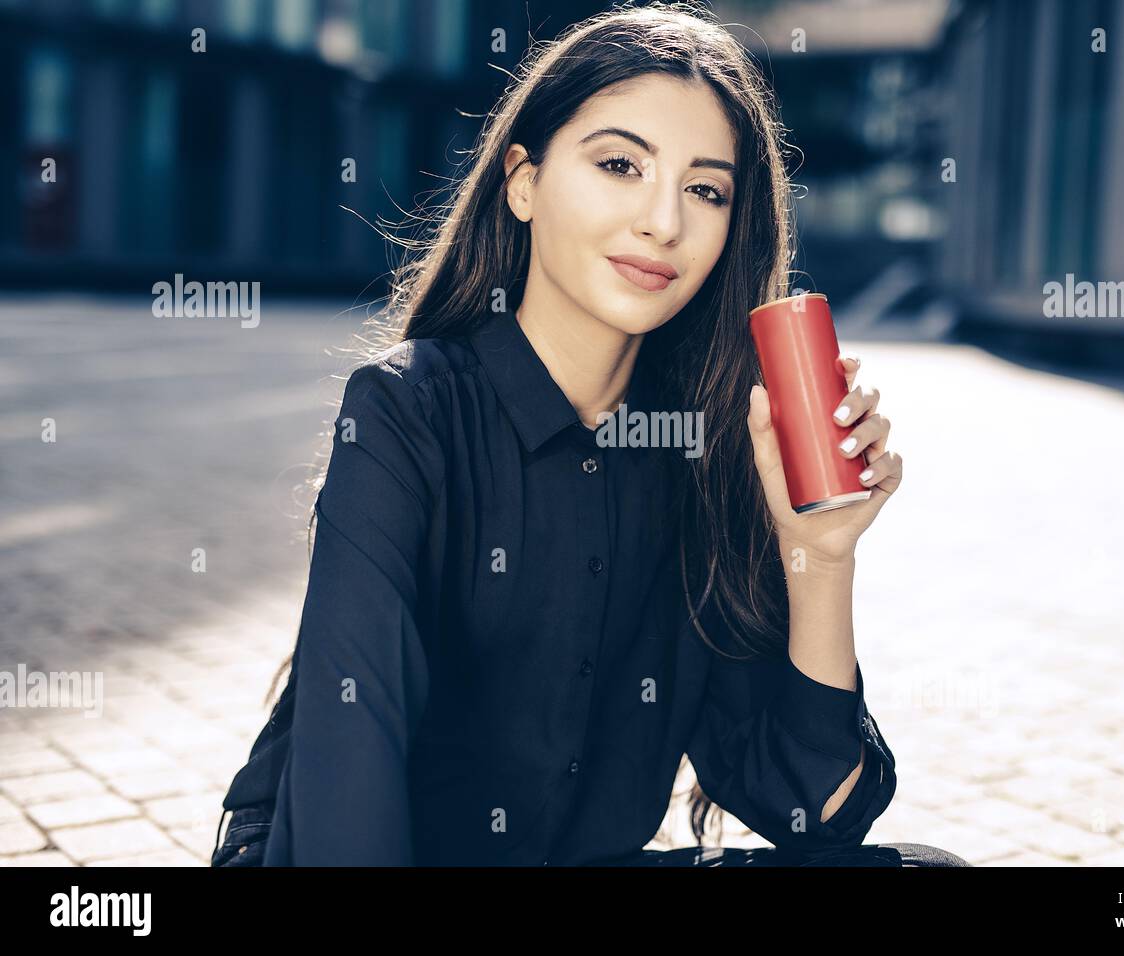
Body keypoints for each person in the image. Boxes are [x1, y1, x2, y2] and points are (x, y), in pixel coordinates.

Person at [212, 1, 969, 869]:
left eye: (705, 189)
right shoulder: (403, 411)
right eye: (620, 165)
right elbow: (350, 780)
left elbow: (814, 814)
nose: (663, 223)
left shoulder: (701, 452)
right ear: (523, 182)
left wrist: (822, 558)